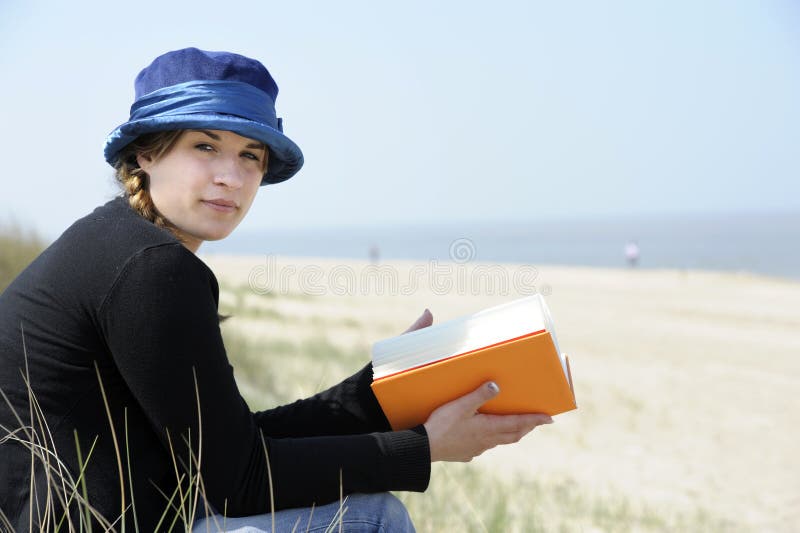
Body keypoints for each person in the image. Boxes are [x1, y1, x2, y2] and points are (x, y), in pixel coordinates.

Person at [0, 48, 553, 532]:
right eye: (205, 146)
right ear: (147, 153)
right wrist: (425, 450)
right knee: (375, 518)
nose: (231, 177)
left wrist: (376, 394)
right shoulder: (150, 269)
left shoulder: (119, 243)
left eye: (250, 156)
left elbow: (229, 450)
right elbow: (236, 483)